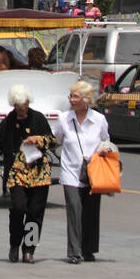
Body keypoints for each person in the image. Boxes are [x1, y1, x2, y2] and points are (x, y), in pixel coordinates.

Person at [0, 84, 56, 263]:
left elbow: (52, 141)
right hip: (16, 173)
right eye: (19, 106)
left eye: (25, 105)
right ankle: (14, 244)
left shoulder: (38, 119)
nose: (23, 110)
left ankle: (29, 249)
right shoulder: (8, 122)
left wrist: (38, 140)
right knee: (18, 207)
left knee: (35, 213)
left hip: (38, 173)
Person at [55, 80, 110, 264]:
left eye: (75, 96)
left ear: (86, 99)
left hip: (93, 171)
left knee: (90, 211)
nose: (71, 99)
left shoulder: (99, 120)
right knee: (74, 208)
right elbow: (57, 141)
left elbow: (106, 141)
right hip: (70, 171)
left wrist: (104, 150)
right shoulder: (64, 119)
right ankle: (73, 252)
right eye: (70, 96)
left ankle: (88, 249)